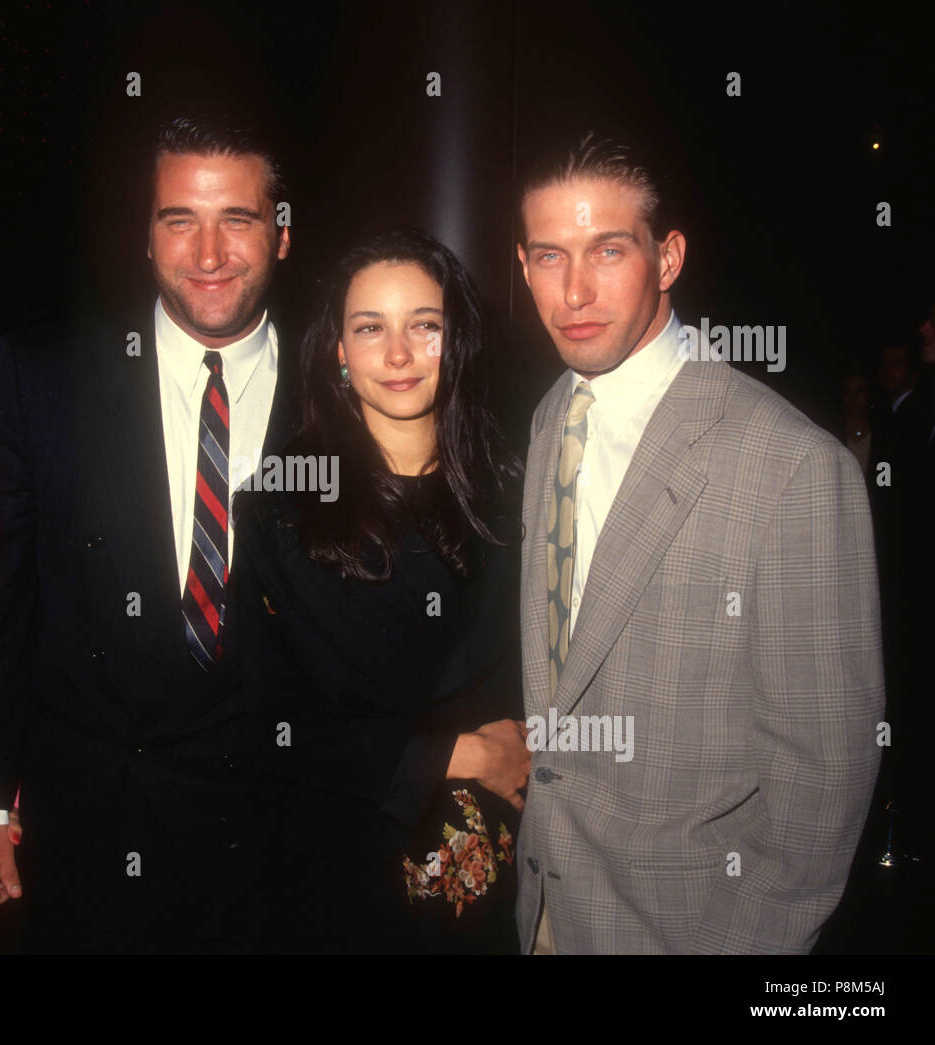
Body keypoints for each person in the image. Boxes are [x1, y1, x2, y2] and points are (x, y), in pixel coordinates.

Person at [511, 132, 884, 953]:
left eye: (608, 250)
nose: (574, 289)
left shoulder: (793, 466)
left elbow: (823, 787)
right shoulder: (548, 418)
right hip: (543, 911)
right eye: (548, 255)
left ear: (668, 257)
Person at [0, 115, 296, 952]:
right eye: (179, 220)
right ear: (147, 235)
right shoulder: (43, 377)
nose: (208, 253)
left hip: (278, 844)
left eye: (237, 220)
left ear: (283, 234)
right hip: (92, 841)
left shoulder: (348, 388)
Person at [232, 227, 530, 953]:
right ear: (337, 348)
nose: (398, 355)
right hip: (337, 878)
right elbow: (260, 717)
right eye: (370, 328)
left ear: (456, 340)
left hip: (494, 877)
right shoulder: (278, 506)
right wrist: (444, 755)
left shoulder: (517, 489)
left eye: (424, 327)